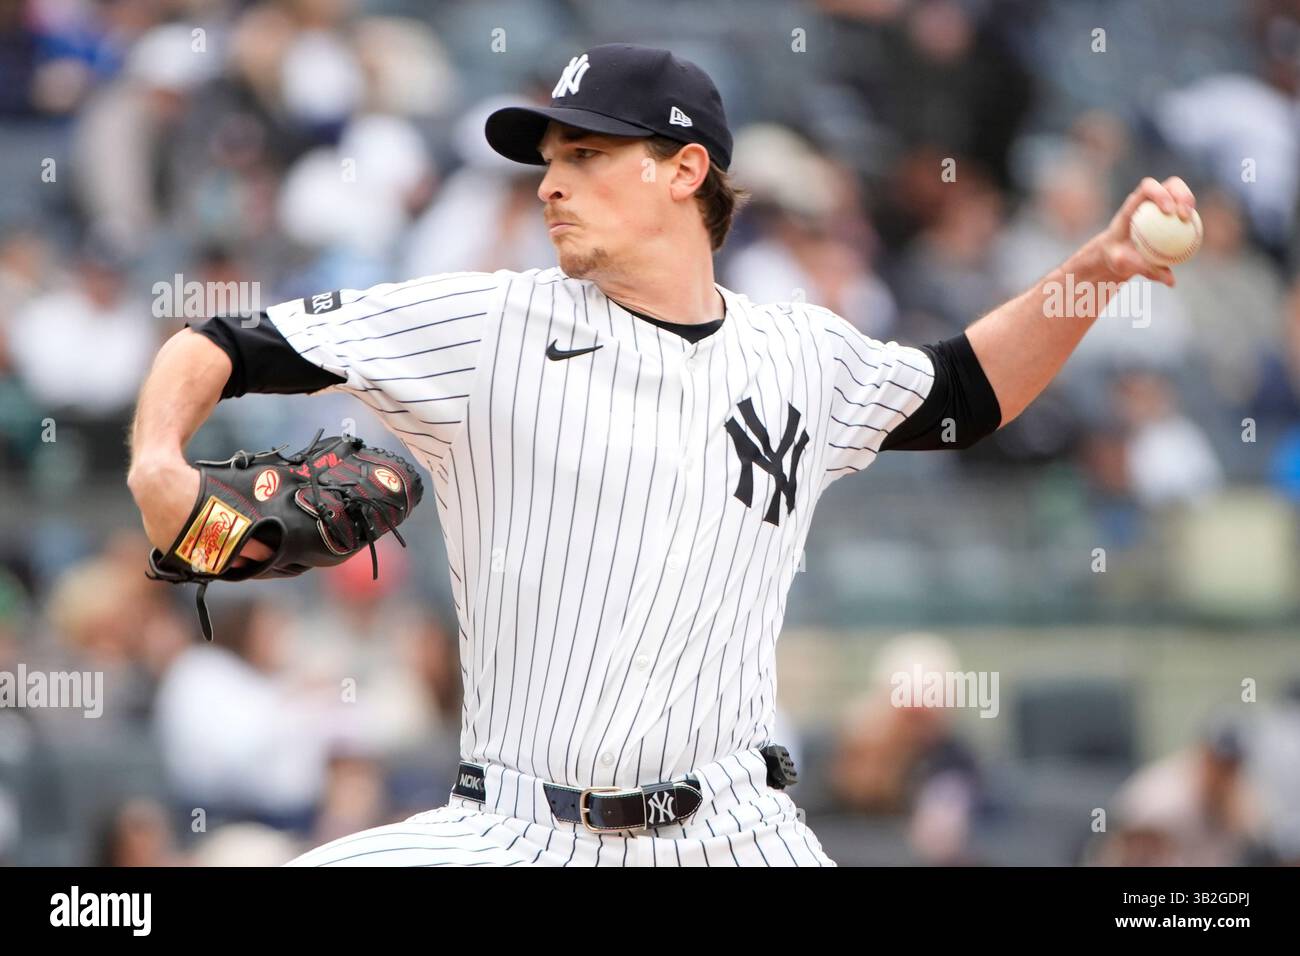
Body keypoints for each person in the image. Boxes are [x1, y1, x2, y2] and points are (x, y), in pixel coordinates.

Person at [127, 44, 1197, 866]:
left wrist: (1094, 270)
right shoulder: (488, 323)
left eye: (586, 156)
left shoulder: (800, 350)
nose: (551, 183)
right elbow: (219, 343)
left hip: (735, 827)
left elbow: (962, 395)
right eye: (548, 160)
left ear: (687, 169)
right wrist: (158, 465)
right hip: (515, 828)